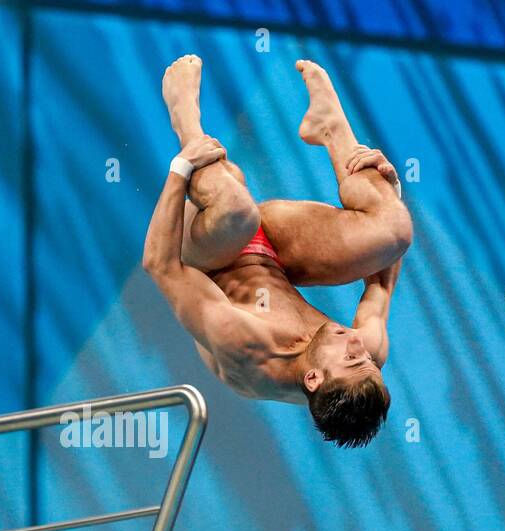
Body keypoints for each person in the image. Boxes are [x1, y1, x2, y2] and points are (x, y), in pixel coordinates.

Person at [142, 55, 411, 447]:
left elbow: (160, 265)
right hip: (279, 254)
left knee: (236, 207)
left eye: (352, 358)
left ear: (313, 379)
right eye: (368, 360)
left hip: (205, 254)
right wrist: (388, 191)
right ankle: (330, 127)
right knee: (396, 231)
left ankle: (186, 121)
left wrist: (182, 168)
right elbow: (381, 284)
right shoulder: (363, 358)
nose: (358, 344)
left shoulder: (245, 347)